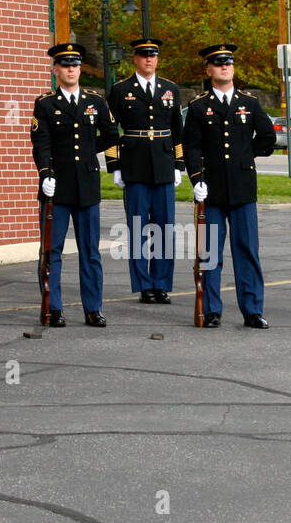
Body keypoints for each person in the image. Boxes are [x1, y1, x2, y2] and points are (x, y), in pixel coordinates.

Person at [182, 43, 276, 328]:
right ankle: (211, 309)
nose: (225, 67)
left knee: (247, 250)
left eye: (229, 63)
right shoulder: (199, 107)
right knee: (209, 252)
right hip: (211, 189)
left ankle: (252, 310)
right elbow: (191, 147)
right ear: (209, 70)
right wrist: (197, 179)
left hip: (243, 186)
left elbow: (268, 138)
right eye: (219, 63)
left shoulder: (249, 103)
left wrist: (246, 155)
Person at [30, 43, 118, 327]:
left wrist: (90, 153)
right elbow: (40, 143)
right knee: (51, 251)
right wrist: (46, 174)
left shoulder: (95, 102)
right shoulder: (45, 104)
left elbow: (110, 135)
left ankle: (93, 308)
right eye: (65, 65)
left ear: (79, 69)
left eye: (75, 64)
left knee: (90, 251)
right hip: (57, 186)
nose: (70, 69)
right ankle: (52, 307)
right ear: (55, 70)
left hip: (87, 185)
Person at [106, 38, 185, 304]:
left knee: (164, 228)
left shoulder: (170, 89)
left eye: (153, 55)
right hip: (134, 166)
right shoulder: (120, 90)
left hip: (163, 166)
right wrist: (114, 166)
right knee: (139, 227)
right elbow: (109, 131)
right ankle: (143, 285)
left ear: (157, 59)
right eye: (143, 55)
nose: (149, 60)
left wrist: (179, 165)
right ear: (135, 59)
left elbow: (178, 132)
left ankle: (161, 284)